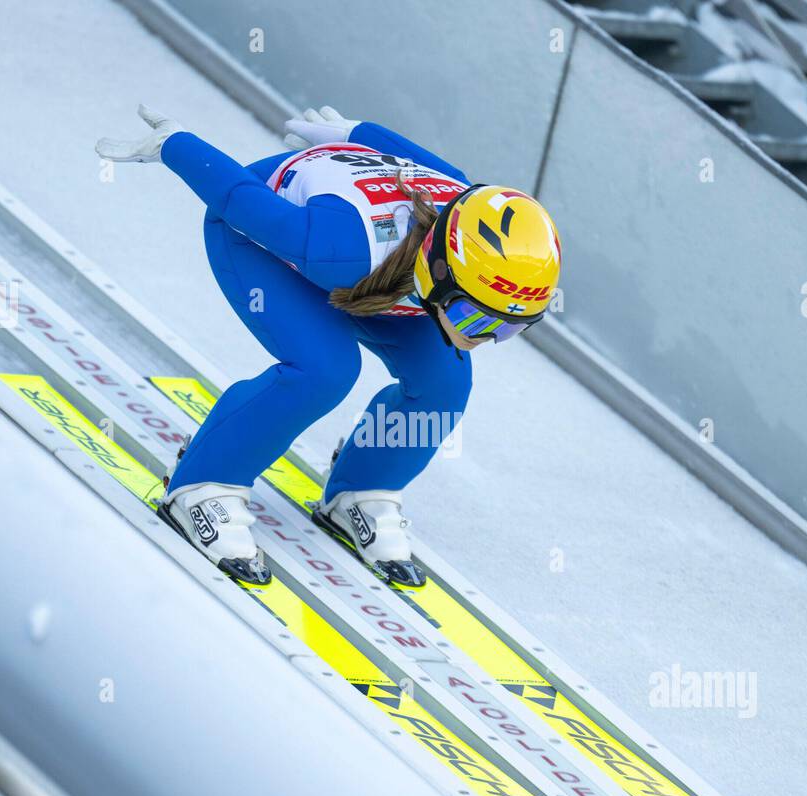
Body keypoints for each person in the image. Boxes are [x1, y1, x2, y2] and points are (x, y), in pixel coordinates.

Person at [96, 105, 561, 586]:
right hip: (262, 240)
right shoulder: (338, 246)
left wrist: (356, 133)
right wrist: (176, 144)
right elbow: (239, 200)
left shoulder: (465, 219)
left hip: (389, 273)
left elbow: (450, 174)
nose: (482, 339)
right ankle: (203, 483)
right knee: (325, 370)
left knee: (446, 380)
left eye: (507, 329)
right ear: (440, 271)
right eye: (473, 316)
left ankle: (360, 489)